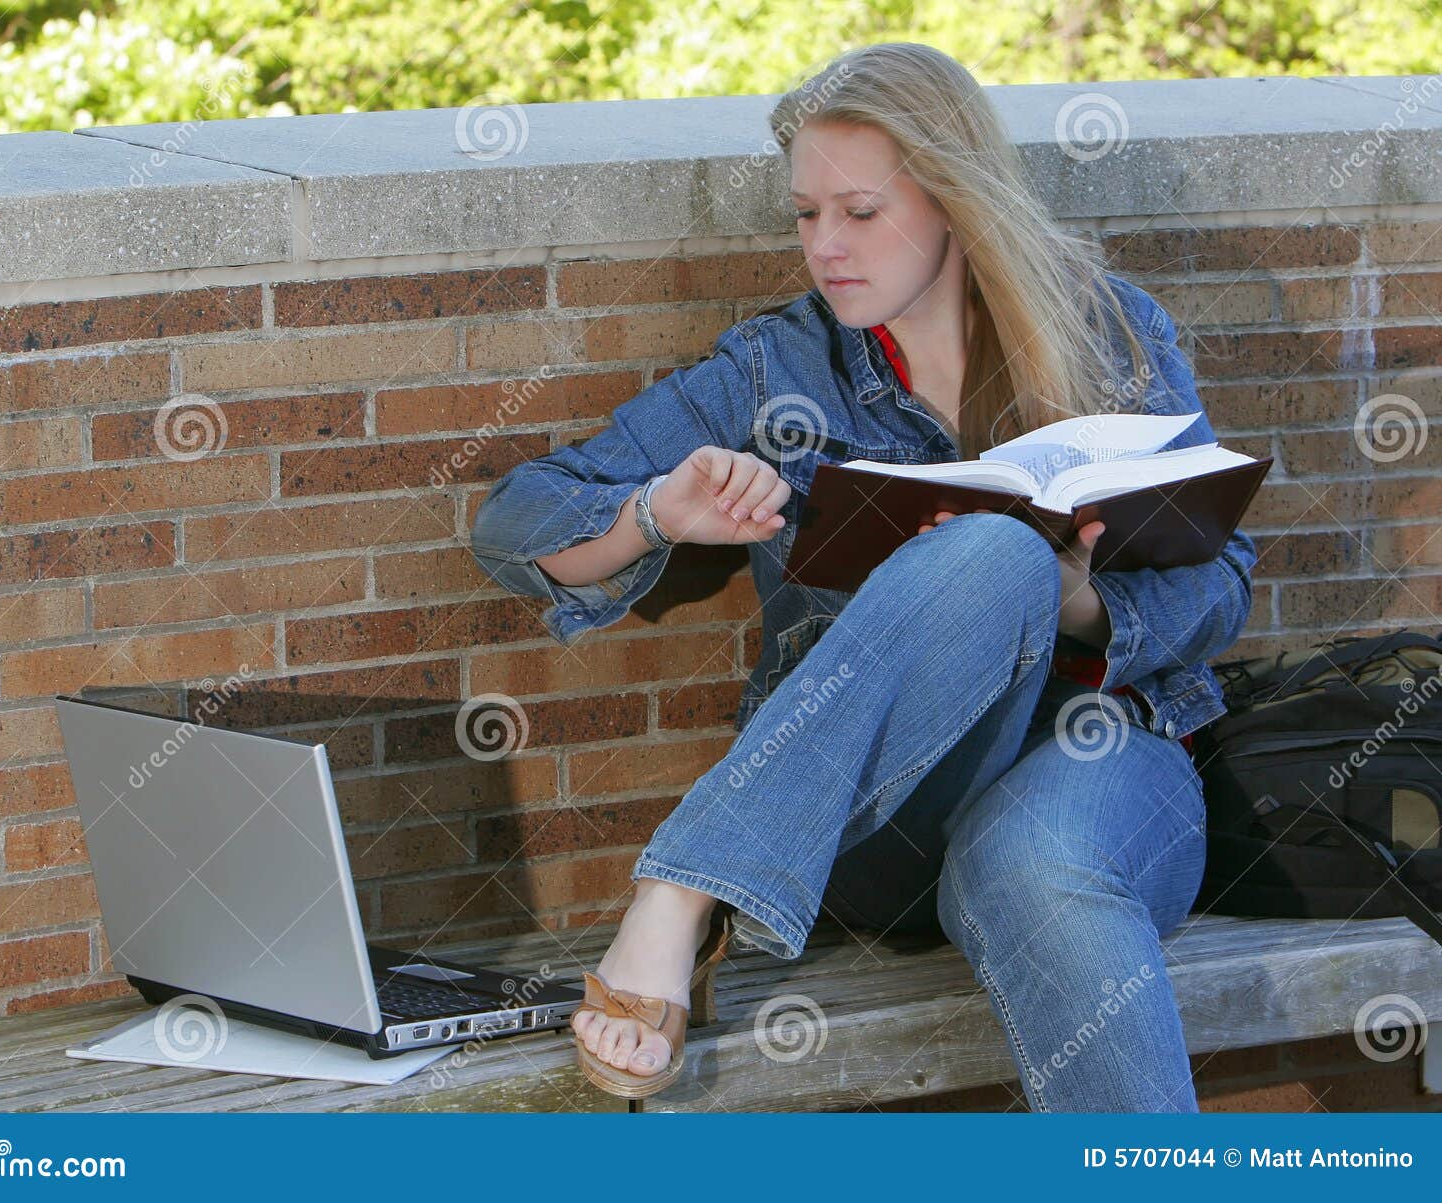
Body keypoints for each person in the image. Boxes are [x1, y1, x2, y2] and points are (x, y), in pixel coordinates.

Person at [467, 42, 1256, 1111]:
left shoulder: (1105, 330)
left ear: (953, 203)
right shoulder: (773, 371)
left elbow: (1222, 586)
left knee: (1031, 862)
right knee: (988, 549)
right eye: (806, 215)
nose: (824, 248)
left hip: (1104, 763)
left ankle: (687, 880)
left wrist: (1077, 596)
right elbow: (515, 522)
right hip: (879, 822)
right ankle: (686, 887)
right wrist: (655, 511)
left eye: (860, 213)